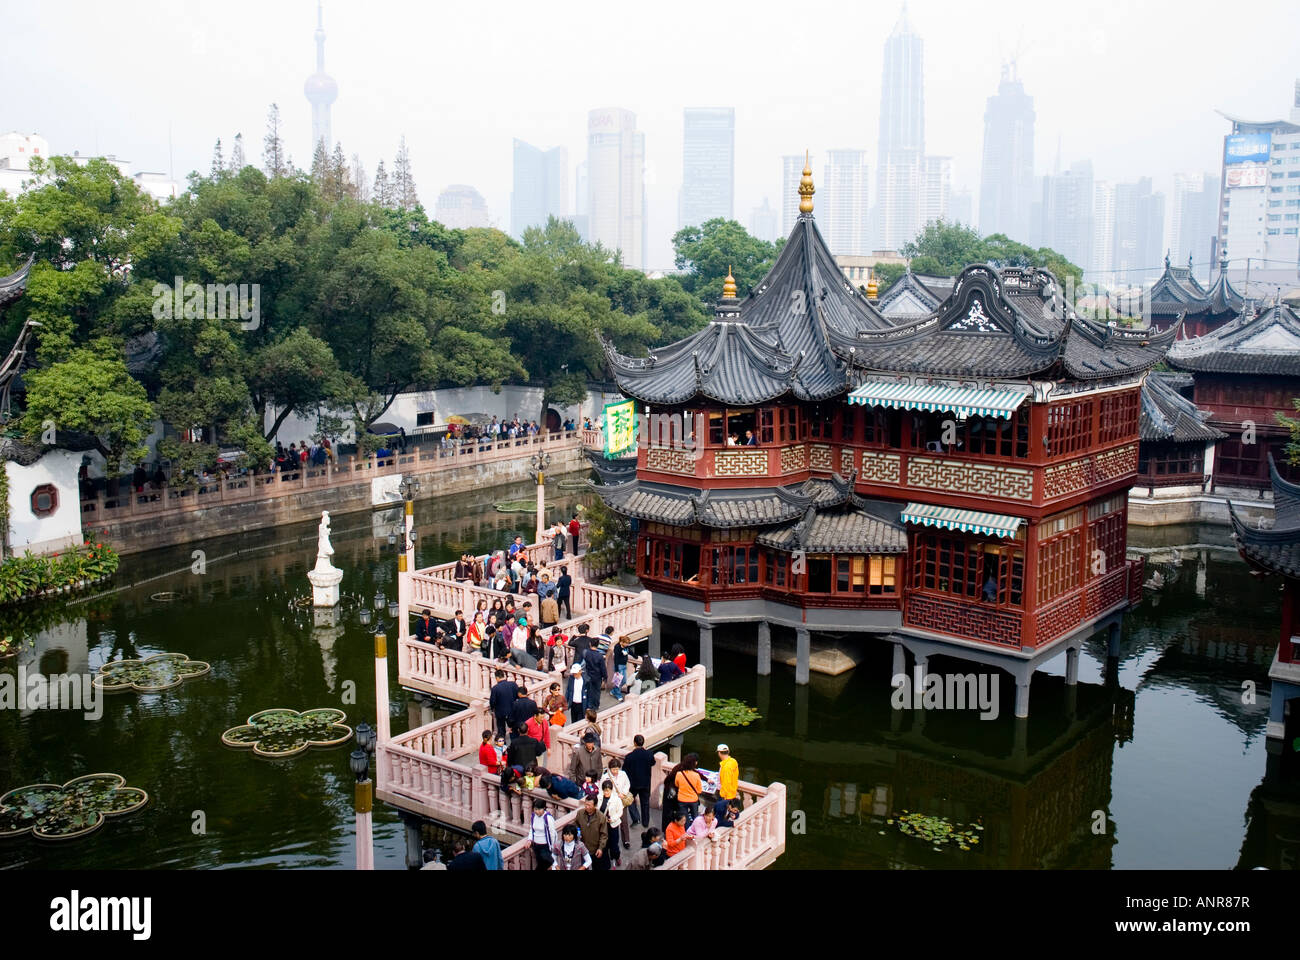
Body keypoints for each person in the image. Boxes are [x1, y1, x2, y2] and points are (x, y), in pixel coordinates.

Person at [601, 758, 634, 848]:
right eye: (614, 769)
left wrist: (623, 793)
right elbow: (602, 790)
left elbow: (627, 784)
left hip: (621, 801)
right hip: (611, 802)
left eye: (617, 769)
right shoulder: (605, 777)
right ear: (610, 769)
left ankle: (626, 840)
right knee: (610, 822)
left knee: (624, 822)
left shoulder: (623, 774)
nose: (615, 771)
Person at [623, 734, 654, 828]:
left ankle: (636, 818)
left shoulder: (629, 757)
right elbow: (653, 762)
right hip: (645, 783)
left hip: (633, 784)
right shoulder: (649, 754)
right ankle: (646, 823)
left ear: (634, 743)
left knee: (630, 801)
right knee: (645, 803)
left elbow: (624, 769)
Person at [575, 796, 610, 870]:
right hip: (583, 848)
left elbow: (604, 835)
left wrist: (600, 848)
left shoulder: (601, 817)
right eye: (586, 804)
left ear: (595, 805)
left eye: (589, 805)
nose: (587, 807)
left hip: (595, 849)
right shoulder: (580, 814)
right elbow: (576, 826)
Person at [673, 754, 704, 828]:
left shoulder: (679, 774)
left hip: (682, 800)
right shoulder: (696, 775)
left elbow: (676, 785)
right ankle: (695, 831)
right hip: (693, 800)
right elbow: (699, 791)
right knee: (695, 817)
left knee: (684, 819)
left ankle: (687, 832)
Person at [597, 780, 624, 866]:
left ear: (611, 790)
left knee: (614, 844)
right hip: (602, 825)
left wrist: (612, 819)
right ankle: (607, 861)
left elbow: (620, 812)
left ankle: (616, 857)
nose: (606, 792)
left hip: (613, 825)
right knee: (604, 844)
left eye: (608, 790)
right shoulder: (599, 798)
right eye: (605, 790)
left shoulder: (616, 799)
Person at [489, 670, 518, 740]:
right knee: (514, 729)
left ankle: (502, 747)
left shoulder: (495, 688)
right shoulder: (513, 684)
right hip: (512, 711)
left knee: (501, 731)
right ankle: (515, 745)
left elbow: (492, 702)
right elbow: (517, 696)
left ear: (497, 678)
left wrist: (492, 708)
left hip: (500, 713)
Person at [529, 799, 557, 870]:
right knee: (540, 863)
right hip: (536, 845)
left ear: (544, 808)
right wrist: (529, 839)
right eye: (535, 809)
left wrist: (551, 846)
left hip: (545, 846)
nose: (537, 812)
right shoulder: (533, 816)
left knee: (544, 865)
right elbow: (531, 829)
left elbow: (552, 833)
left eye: (539, 809)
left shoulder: (548, 818)